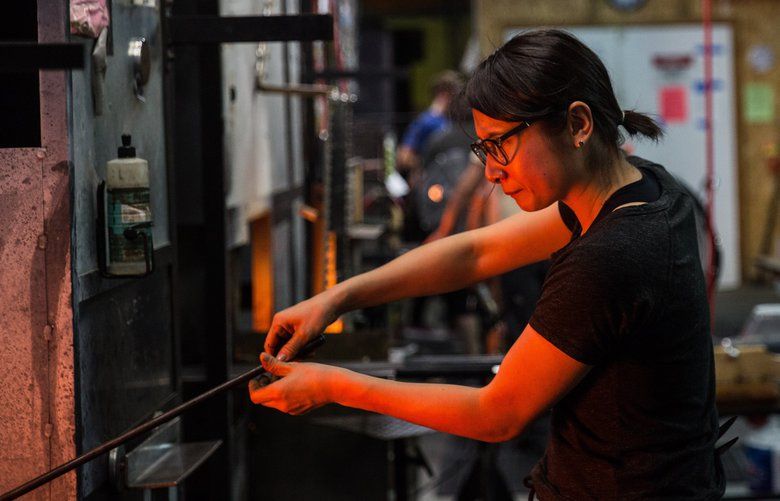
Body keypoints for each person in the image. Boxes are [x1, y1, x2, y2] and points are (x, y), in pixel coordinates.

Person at [250, 29, 725, 499]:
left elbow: (497, 413)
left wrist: (332, 385)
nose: (493, 172)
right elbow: (477, 252)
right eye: (484, 149)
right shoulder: (648, 190)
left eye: (501, 143)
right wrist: (337, 298)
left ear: (578, 124)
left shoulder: (612, 255)